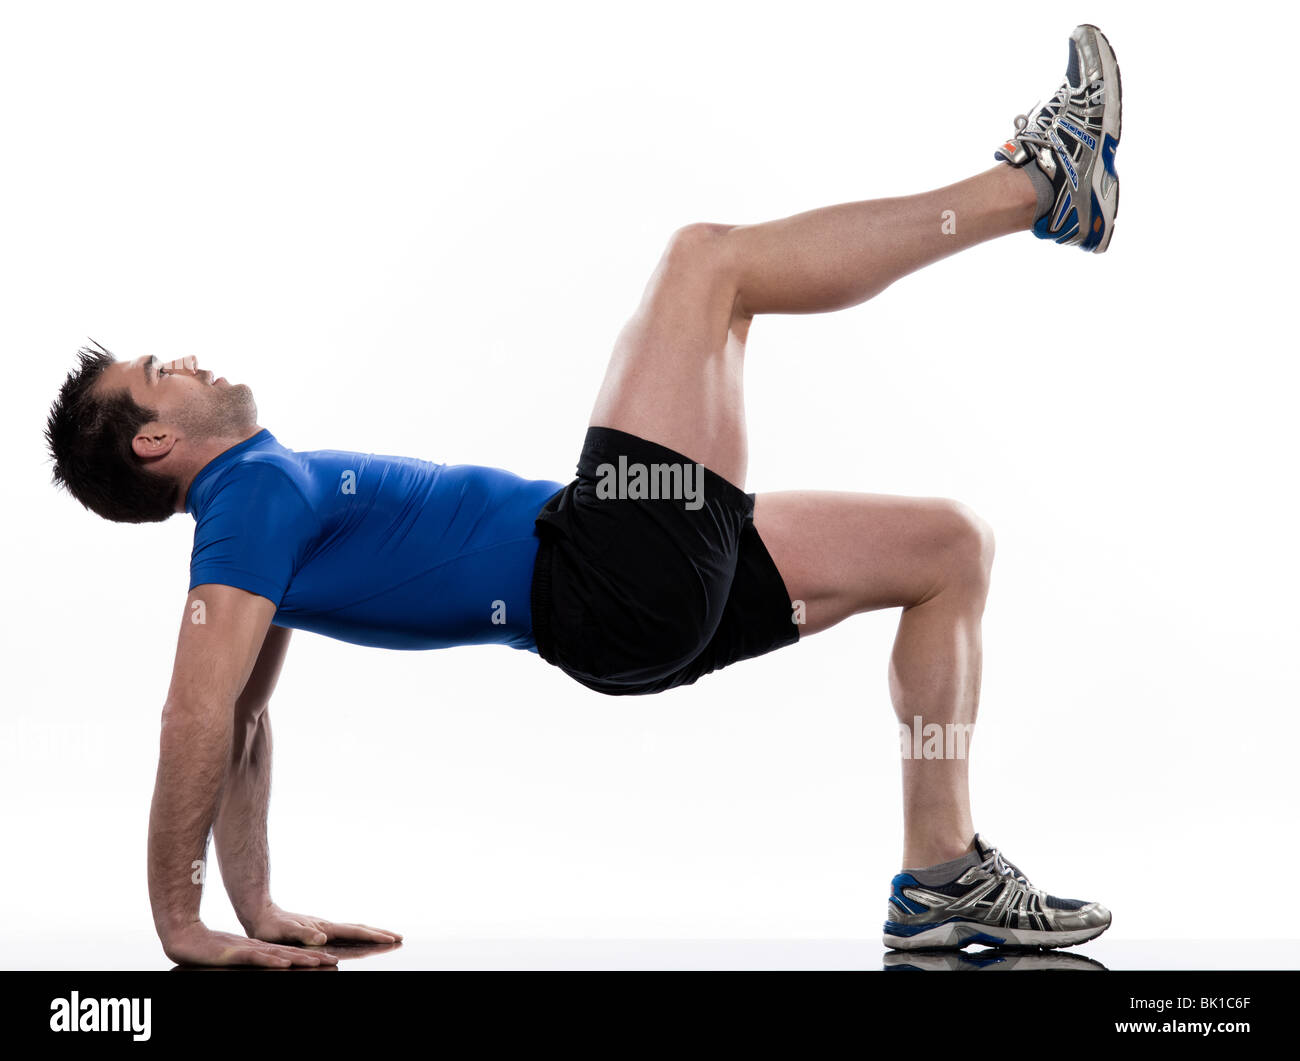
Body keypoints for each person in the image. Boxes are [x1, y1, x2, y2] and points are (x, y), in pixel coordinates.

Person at [44, 24, 1120, 967]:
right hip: (607, 567)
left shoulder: (261, 513)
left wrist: (256, 904)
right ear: (154, 438)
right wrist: (176, 922)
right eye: (158, 371)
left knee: (946, 549)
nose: (183, 359)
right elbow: (194, 709)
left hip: (621, 590)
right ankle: (1041, 183)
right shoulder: (246, 498)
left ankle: (940, 877)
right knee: (706, 265)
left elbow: (238, 720)